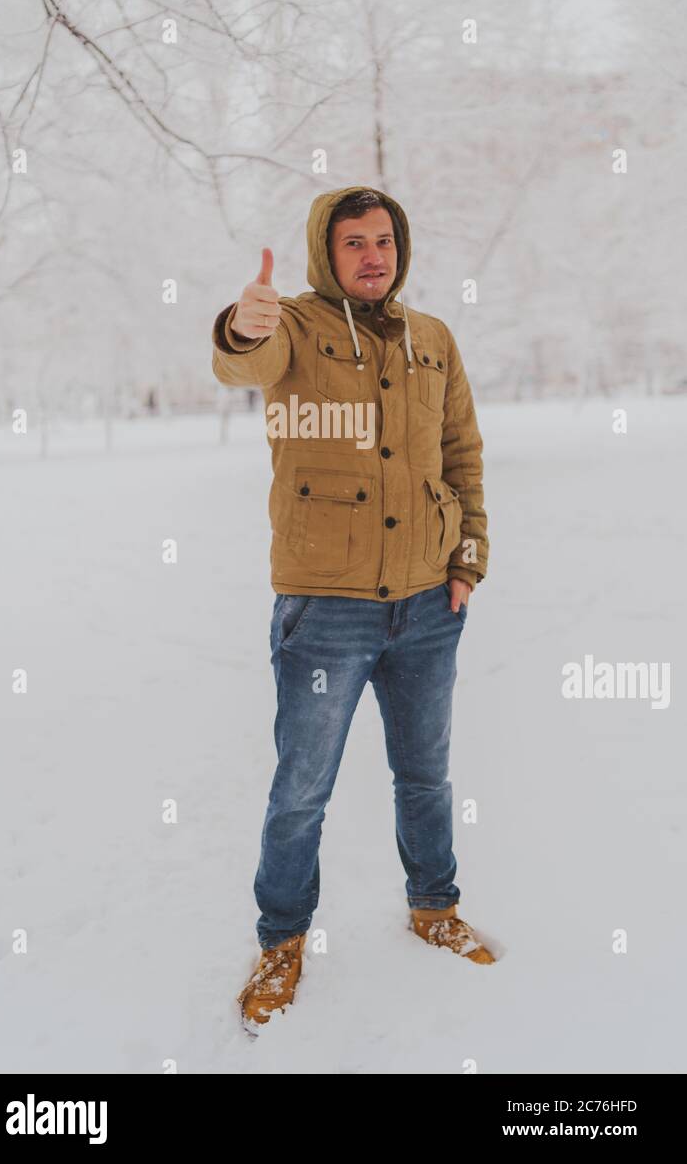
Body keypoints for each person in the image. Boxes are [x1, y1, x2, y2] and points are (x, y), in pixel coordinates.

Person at [211, 185, 494, 1029]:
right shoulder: (290, 326)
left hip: (426, 601)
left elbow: (461, 453)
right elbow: (239, 362)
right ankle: (282, 941)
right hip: (324, 608)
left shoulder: (432, 338)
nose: (373, 255)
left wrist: (468, 556)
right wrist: (243, 322)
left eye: (384, 240)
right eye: (353, 243)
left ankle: (432, 905)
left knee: (425, 775)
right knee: (302, 788)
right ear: (322, 253)